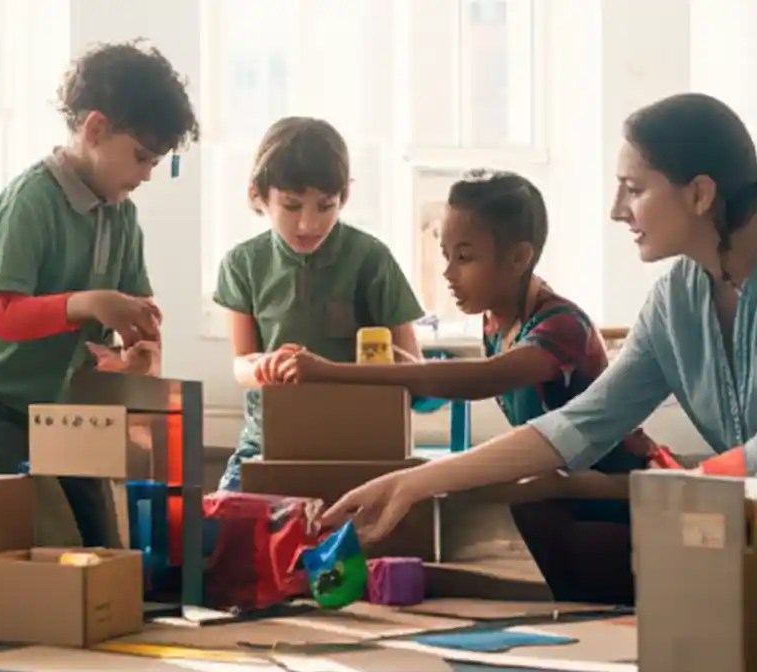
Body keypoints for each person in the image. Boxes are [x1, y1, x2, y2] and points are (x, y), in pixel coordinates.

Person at [324, 92, 757, 564]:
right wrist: (415, 482)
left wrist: (663, 488)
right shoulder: (675, 300)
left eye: (633, 189)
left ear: (700, 194)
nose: (616, 210)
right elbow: (578, 423)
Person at [280, 170, 662, 604]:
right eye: (445, 255)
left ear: (519, 258)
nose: (447, 273)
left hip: (625, 495)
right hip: (559, 487)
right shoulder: (496, 323)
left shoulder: (562, 326)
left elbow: (481, 380)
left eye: (464, 257)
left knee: (535, 523)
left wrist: (329, 371)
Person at [0, 40, 199, 547]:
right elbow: (7, 319)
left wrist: (141, 353)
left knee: (100, 546)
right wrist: (91, 302)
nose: (146, 174)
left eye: (156, 162)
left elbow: (141, 317)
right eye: (140, 157)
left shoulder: (122, 215)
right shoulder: (31, 199)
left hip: (69, 408)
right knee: (11, 546)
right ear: (95, 129)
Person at [212, 117, 425, 491]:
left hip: (359, 444)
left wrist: (376, 361)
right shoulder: (242, 263)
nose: (309, 224)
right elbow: (241, 364)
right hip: (268, 443)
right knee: (223, 532)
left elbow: (416, 373)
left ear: (344, 197)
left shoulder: (370, 259)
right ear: (258, 195)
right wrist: (268, 366)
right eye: (292, 206)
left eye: (325, 207)